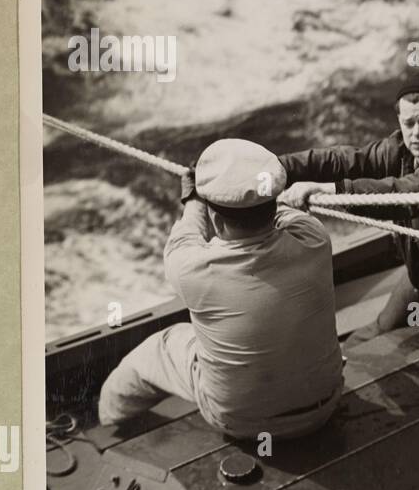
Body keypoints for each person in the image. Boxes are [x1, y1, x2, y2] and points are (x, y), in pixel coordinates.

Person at [98, 138, 344, 439]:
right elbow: (281, 211)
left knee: (159, 348)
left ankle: (106, 425)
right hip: (326, 406)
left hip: (241, 424)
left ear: (216, 218)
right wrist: (258, 187)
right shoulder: (314, 239)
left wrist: (192, 198)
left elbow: (188, 232)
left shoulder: (192, 270)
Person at [277, 70, 419, 338]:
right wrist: (281, 167)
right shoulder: (399, 149)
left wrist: (330, 190)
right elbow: (347, 160)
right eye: (408, 123)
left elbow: (406, 192)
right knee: (375, 330)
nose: (416, 133)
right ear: (399, 121)